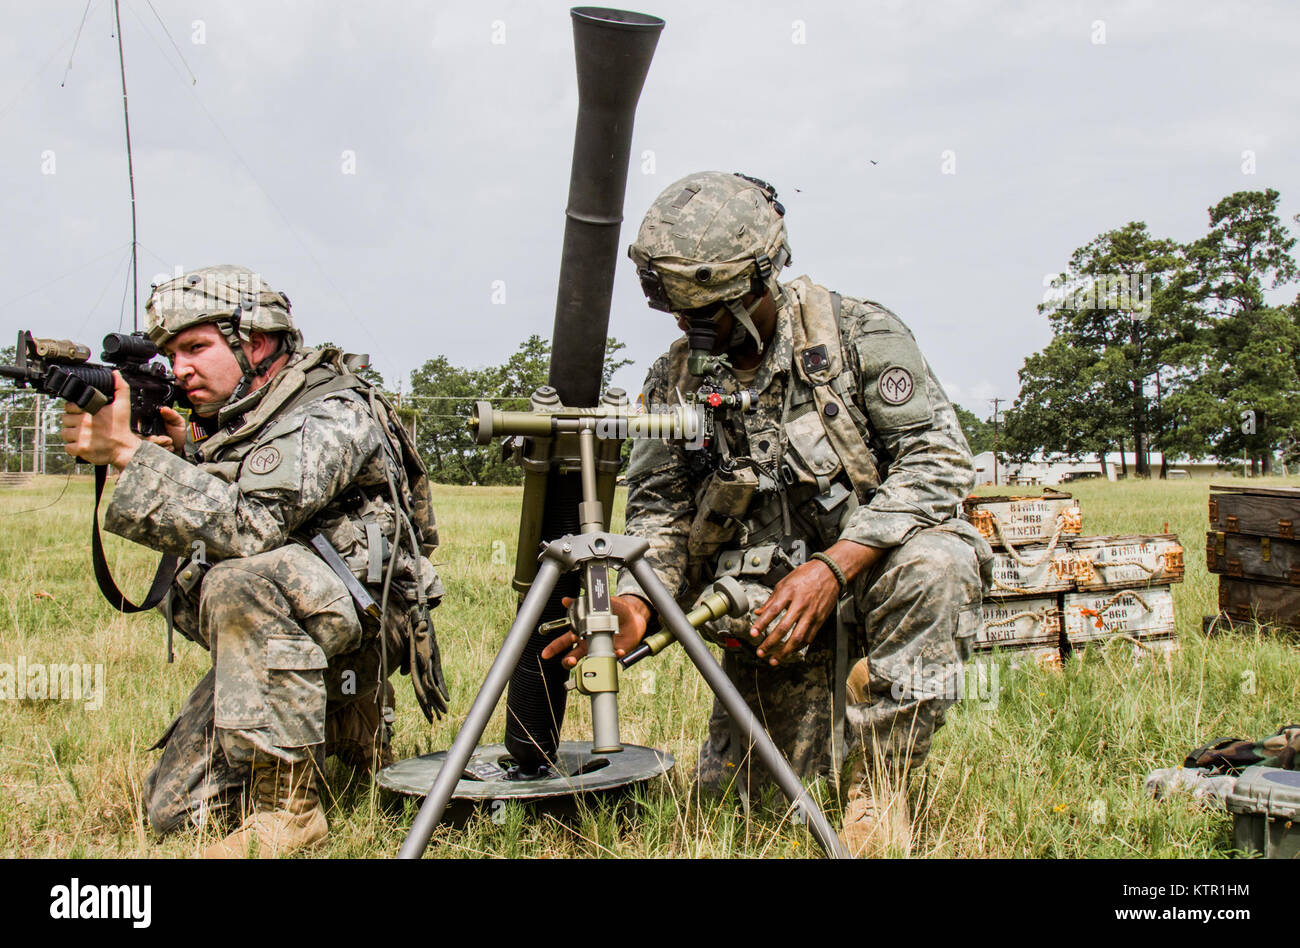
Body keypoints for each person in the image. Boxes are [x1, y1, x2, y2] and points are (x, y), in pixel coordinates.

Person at [543, 172, 992, 856]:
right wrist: (637, 600)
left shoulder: (859, 337)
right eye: (680, 313)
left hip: (860, 590)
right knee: (742, 808)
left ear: (760, 284)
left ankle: (883, 786)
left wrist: (834, 568)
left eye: (708, 312)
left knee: (940, 561)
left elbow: (938, 464)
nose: (690, 329)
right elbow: (659, 511)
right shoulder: (676, 381)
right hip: (760, 618)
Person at [61, 265, 447, 858]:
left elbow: (252, 525)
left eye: (195, 347)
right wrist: (178, 455)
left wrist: (130, 454)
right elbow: (241, 504)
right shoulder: (243, 415)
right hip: (304, 615)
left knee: (241, 580)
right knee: (177, 813)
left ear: (257, 341)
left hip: (374, 617)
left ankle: (289, 811)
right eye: (171, 353)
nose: (179, 367)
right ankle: (341, 711)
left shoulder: (333, 409)